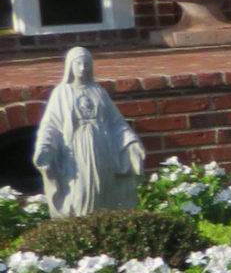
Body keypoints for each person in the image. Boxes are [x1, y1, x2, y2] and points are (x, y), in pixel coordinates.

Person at [32, 47, 146, 218]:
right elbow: (51, 125)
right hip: (75, 152)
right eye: (78, 64)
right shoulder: (61, 93)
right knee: (81, 191)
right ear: (70, 66)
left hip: (103, 148)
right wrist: (45, 146)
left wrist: (131, 143)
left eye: (86, 64)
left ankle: (105, 227)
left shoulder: (98, 91)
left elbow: (116, 123)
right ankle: (81, 227)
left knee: (104, 189)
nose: (82, 69)